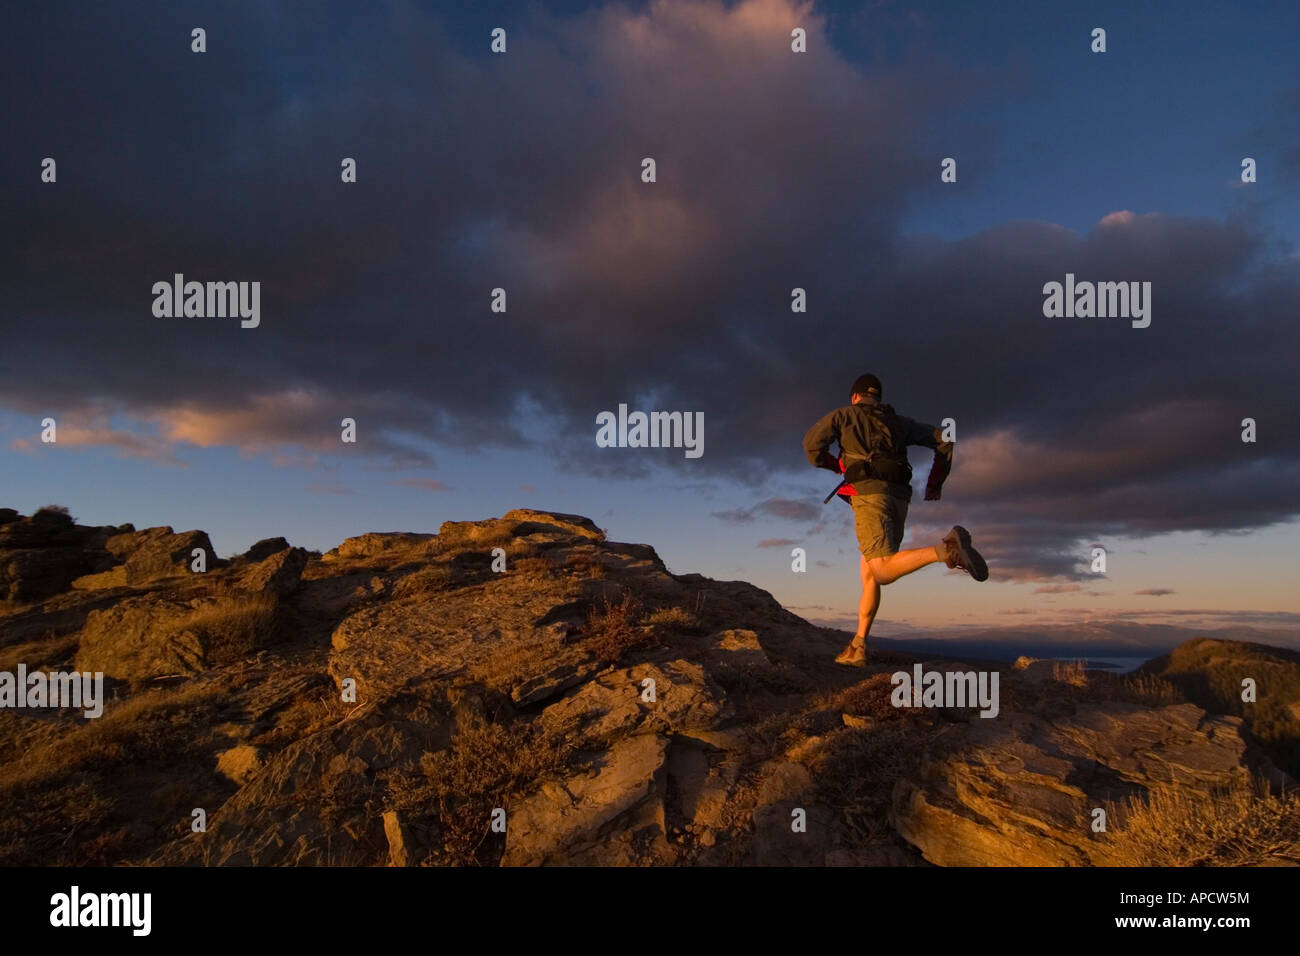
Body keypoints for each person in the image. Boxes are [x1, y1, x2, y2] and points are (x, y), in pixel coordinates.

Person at [802, 373, 988, 666]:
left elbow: (811, 447)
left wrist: (838, 466)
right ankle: (858, 646)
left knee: (882, 571)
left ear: (854, 397)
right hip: (900, 497)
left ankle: (946, 549)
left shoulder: (844, 415)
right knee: (869, 572)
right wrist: (935, 484)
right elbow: (944, 438)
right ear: (877, 398)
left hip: (868, 495)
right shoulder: (900, 422)